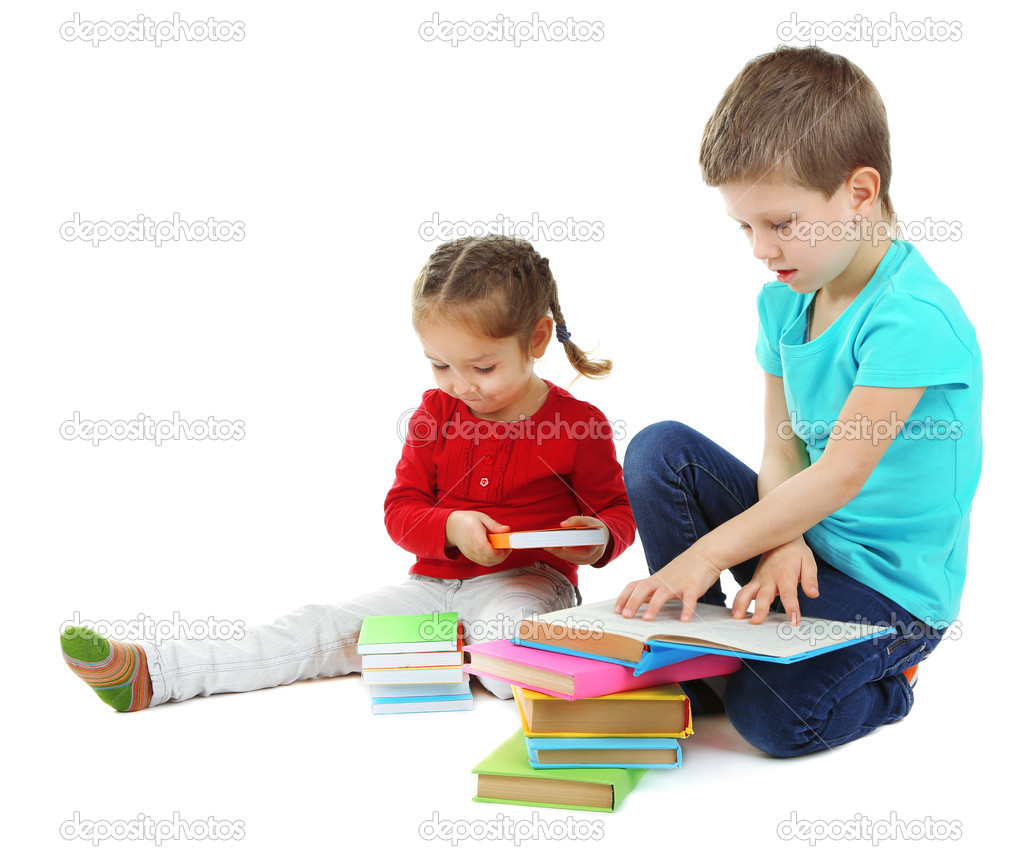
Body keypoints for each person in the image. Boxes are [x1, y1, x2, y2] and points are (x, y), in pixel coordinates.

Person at [61, 234, 635, 710]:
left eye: (481, 367)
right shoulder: (435, 414)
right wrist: (450, 527)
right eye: (440, 364)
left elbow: (616, 512)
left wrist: (596, 538)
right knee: (319, 626)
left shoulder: (577, 423)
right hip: (431, 589)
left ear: (534, 339)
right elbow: (402, 509)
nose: (459, 385)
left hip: (527, 584)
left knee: (508, 659)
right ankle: (155, 674)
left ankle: (461, 653)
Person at [616, 45, 981, 756]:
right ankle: (702, 650)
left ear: (858, 191)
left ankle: (890, 678)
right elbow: (782, 449)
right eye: (744, 226)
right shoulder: (783, 301)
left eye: (780, 224)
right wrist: (782, 538)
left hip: (890, 592)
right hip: (805, 539)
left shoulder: (911, 318)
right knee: (660, 449)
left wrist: (702, 557)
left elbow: (840, 472)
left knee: (773, 718)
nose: (759, 248)